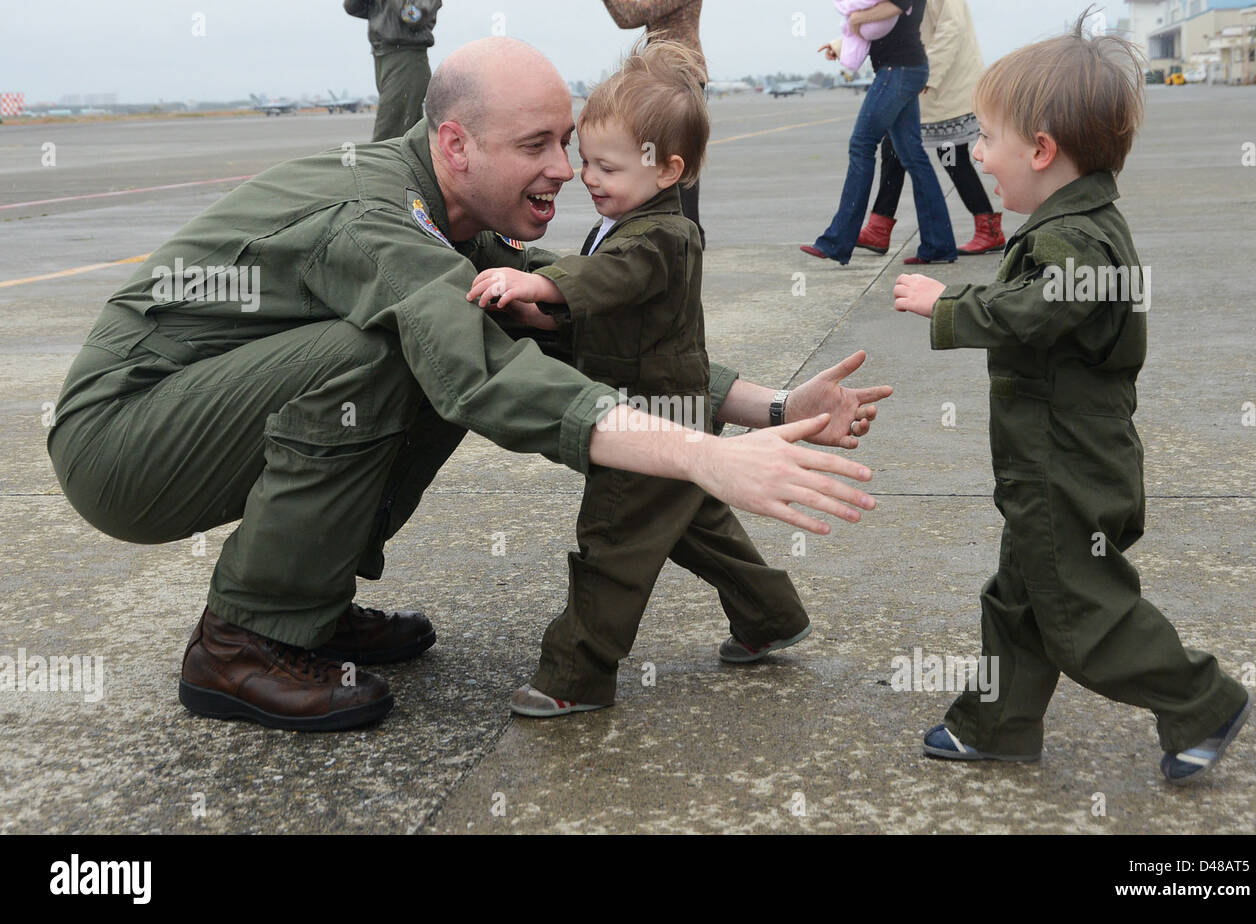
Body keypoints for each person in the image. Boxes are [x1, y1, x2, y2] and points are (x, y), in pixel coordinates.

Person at [46, 37, 891, 733]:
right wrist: (705, 459)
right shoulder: (379, 222)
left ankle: (306, 606)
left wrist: (775, 407)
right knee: (396, 349)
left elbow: (595, 342)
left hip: (195, 413)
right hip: (125, 438)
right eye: (536, 146)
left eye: (565, 140)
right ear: (455, 145)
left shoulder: (454, 226)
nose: (566, 168)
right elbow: (480, 368)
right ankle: (242, 643)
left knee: (478, 316)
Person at [892, 17, 1251, 783]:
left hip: (1065, 471)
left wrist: (946, 304)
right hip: (1049, 466)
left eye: (988, 140)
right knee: (1020, 602)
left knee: (1079, 615)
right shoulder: (1075, 226)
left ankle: (1201, 699)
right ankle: (998, 724)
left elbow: (1036, 310)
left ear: (1042, 151)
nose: (981, 157)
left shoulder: (1076, 241)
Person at [465, 42, 812, 717]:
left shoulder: (663, 236)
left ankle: (576, 674)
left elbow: (609, 279)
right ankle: (771, 617)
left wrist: (541, 280)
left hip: (657, 415)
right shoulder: (624, 223)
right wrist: (548, 315)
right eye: (587, 161)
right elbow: (611, 313)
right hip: (674, 412)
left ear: (668, 169)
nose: (587, 178)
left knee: (614, 544)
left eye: (607, 166)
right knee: (697, 525)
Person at [802, 0, 957, 265]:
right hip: (904, 69)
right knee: (913, 157)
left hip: (898, 71)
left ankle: (838, 240)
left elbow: (895, 6)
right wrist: (842, 41)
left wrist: (855, 19)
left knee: (862, 145)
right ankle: (939, 245)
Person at [857, 0, 1005, 259]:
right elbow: (883, 21)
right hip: (917, 79)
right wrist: (841, 44)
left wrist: (930, 74)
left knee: (952, 158)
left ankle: (988, 229)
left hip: (946, 86)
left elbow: (952, 30)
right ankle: (878, 228)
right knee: (893, 149)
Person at [600, 0, 707, 248]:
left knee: (677, 160)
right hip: (662, 75)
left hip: (680, 76)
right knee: (658, 156)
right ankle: (675, 233)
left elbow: (633, 14)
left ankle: (687, 236)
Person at [344, 0, 442, 142]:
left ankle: (378, 164)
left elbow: (414, 17)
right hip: (383, 58)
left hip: (406, 59)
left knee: (388, 134)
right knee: (407, 135)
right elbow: (352, 7)